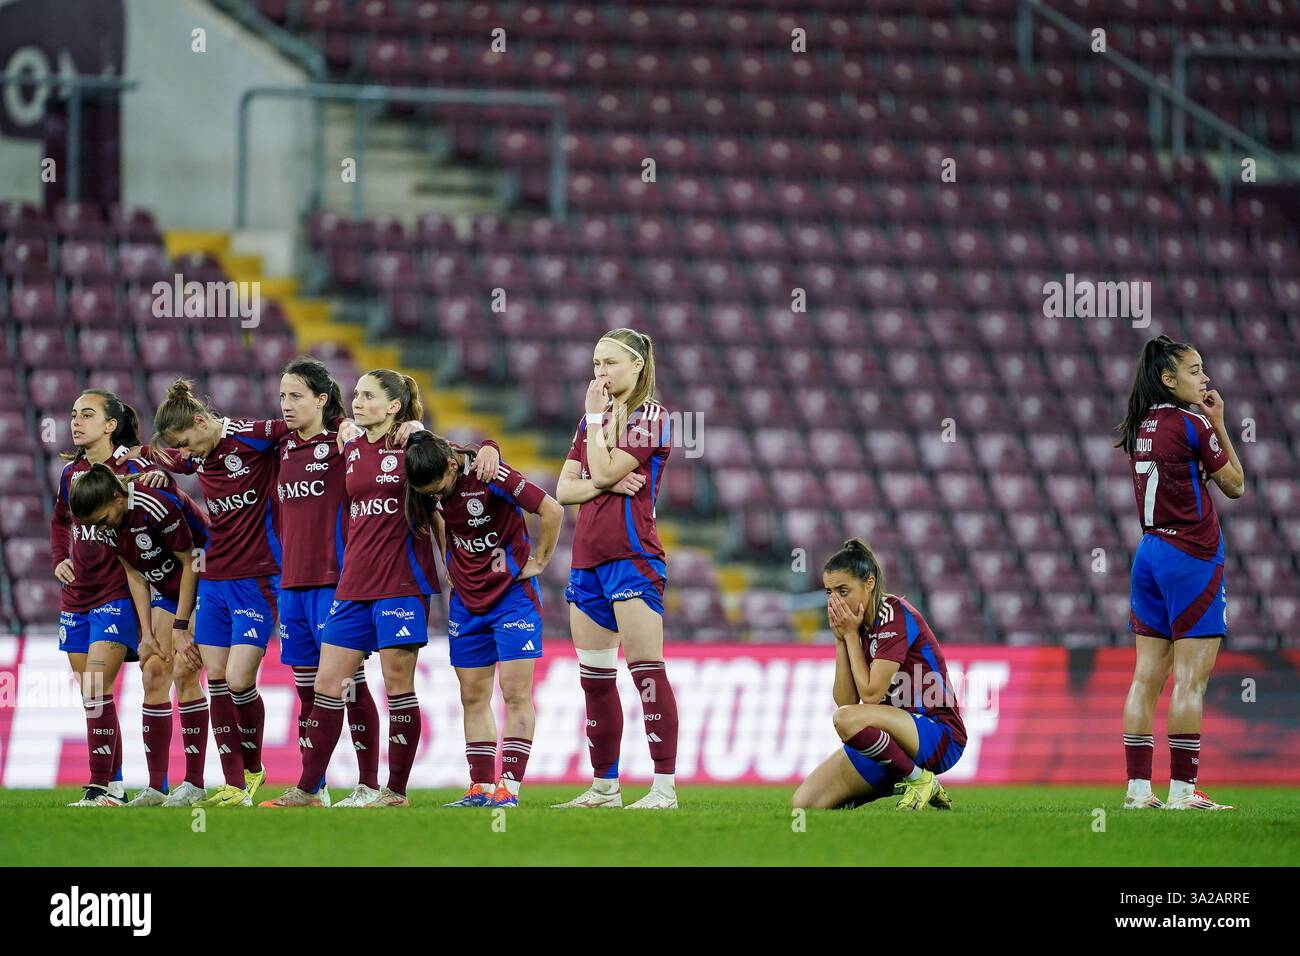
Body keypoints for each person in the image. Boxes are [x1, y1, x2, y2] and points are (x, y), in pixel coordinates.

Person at [262, 370, 460, 808]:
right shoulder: (348, 446)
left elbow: (448, 483)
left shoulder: (414, 446)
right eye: (355, 394)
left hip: (401, 581)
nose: (356, 401)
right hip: (353, 582)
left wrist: (452, 562)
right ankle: (308, 789)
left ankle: (395, 792)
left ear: (393, 406)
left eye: (368, 396)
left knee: (396, 685)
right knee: (330, 684)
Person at [149, 379, 292, 807]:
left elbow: (305, 428)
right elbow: (169, 457)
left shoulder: (254, 436)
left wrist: (342, 428)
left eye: (188, 442)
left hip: (257, 578)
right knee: (216, 681)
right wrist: (159, 469)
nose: (187, 452)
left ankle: (254, 768)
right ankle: (236, 784)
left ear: (200, 421)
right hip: (213, 579)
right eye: (182, 448)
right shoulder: (198, 457)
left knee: (238, 679)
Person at [1115, 335, 1244, 811]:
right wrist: (1219, 424)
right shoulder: (1192, 423)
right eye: (1195, 370)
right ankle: (1184, 793)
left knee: (1145, 678)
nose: (1204, 378)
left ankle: (1137, 790)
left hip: (1148, 552)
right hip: (1190, 554)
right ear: (1169, 379)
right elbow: (1235, 485)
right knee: (1191, 681)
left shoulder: (1141, 424)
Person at [552, 328, 679, 810]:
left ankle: (663, 788)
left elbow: (598, 473)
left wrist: (597, 474)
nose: (598, 374)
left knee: (646, 673)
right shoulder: (593, 422)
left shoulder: (654, 417)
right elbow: (565, 490)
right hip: (586, 560)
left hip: (632, 557)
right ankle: (604, 787)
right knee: (595, 678)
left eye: (608, 364)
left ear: (637, 367)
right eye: (595, 365)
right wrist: (600, 477)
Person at [406, 430, 563, 808]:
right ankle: (481, 788)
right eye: (429, 494)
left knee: (514, 692)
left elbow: (552, 509)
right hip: (465, 601)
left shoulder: (490, 473)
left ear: (450, 465)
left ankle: (509, 787)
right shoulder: (429, 477)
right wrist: (448, 560)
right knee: (473, 695)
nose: (436, 496)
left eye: (439, 487)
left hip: (512, 597)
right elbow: (413, 432)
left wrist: (540, 561)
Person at [51, 389, 168, 807]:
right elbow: (60, 522)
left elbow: (162, 492)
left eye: (86, 414)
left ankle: (100, 786)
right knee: (92, 696)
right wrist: (58, 560)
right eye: (72, 414)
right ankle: (114, 784)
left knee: (97, 688)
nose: (75, 422)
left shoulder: (133, 468)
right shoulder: (72, 474)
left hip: (116, 592)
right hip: (76, 596)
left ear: (110, 425)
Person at [67, 463, 210, 806]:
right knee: (154, 669)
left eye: (102, 520)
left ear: (118, 497)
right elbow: (134, 572)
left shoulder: (152, 505)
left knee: (186, 669)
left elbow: (191, 561)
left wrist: (180, 626)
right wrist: (146, 633)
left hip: (207, 579)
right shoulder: (107, 523)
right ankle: (157, 788)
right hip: (166, 587)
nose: (100, 529)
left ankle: (194, 783)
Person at [792, 540, 966, 812]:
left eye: (843, 591)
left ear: (869, 583)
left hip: (937, 735)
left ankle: (919, 779)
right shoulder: (855, 627)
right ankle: (900, 777)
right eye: (829, 593)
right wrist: (841, 639)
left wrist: (850, 635)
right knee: (805, 805)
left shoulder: (894, 615)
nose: (835, 601)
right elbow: (845, 700)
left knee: (846, 720)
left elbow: (870, 695)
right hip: (891, 740)